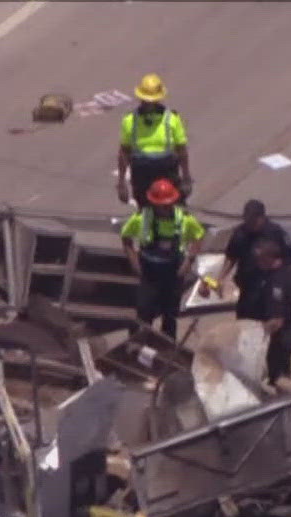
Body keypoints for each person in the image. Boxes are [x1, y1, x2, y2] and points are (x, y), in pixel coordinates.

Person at [120, 177, 206, 339]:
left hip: (173, 274)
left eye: (169, 204)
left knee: (170, 315)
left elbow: (198, 235)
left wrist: (189, 261)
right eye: (162, 205)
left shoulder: (183, 219)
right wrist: (134, 262)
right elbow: (126, 238)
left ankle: (166, 349)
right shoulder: (142, 219)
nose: (166, 208)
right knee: (144, 312)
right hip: (149, 273)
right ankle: (139, 346)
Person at [116, 74, 193, 207]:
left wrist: (186, 178)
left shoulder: (172, 119)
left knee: (175, 208)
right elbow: (124, 153)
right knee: (145, 212)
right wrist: (121, 183)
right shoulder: (129, 121)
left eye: (152, 101)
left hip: (167, 171)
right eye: (146, 101)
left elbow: (182, 150)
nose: (149, 104)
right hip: (142, 173)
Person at [215, 199, 291, 319]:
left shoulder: (275, 232)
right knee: (245, 325)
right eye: (247, 220)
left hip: (270, 289)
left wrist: (278, 267)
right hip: (248, 289)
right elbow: (231, 257)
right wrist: (220, 278)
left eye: (253, 221)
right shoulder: (240, 233)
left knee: (270, 326)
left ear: (262, 218)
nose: (249, 224)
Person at [254, 239, 291, 387]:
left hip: (281, 337)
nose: (257, 263)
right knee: (280, 375)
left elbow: (277, 321)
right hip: (286, 332)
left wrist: (256, 334)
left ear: (269, 258)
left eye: (259, 259)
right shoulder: (286, 271)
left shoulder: (278, 282)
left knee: (279, 378)